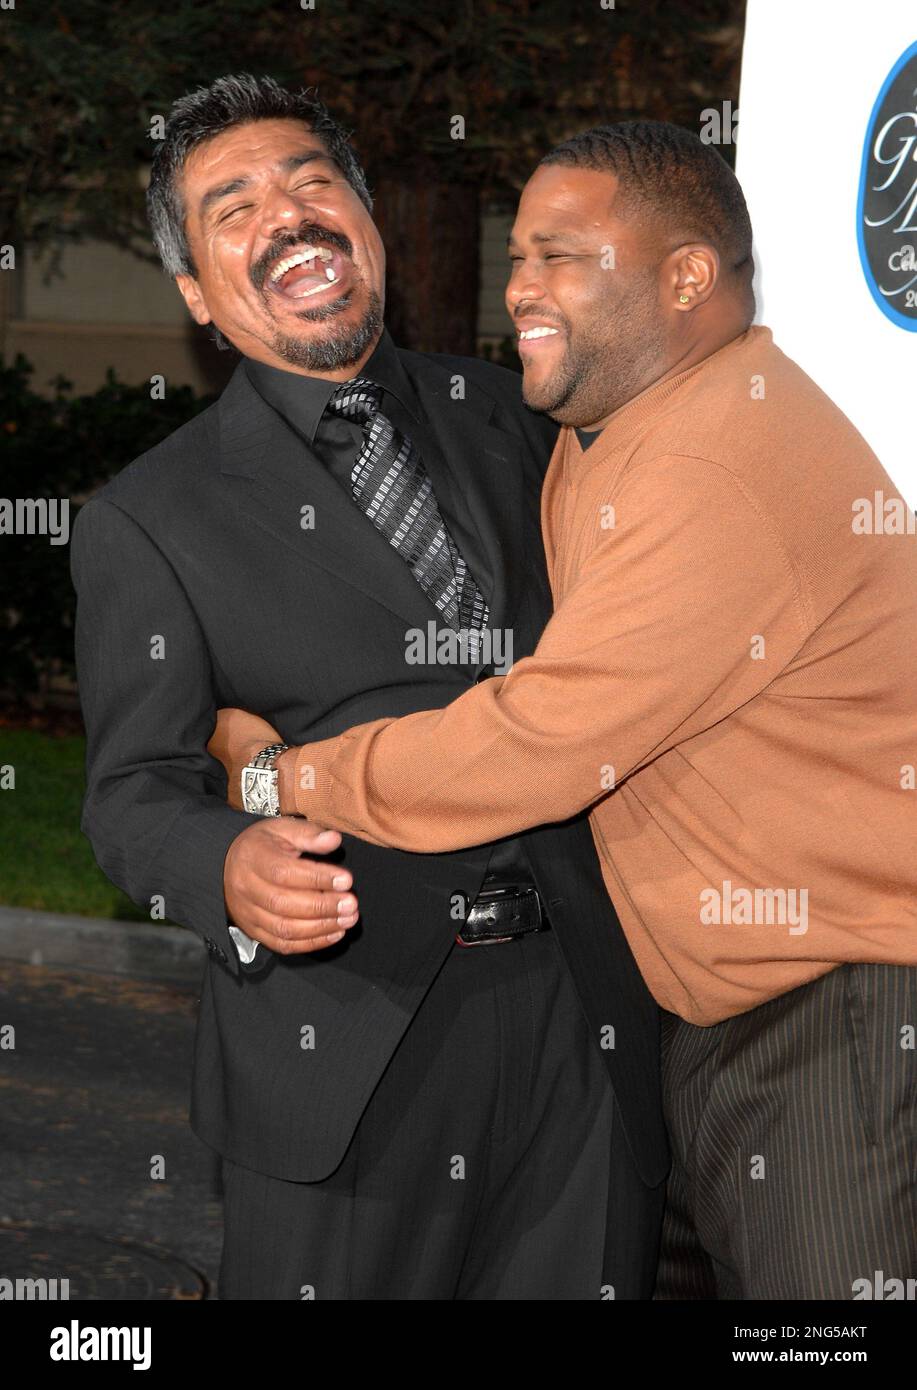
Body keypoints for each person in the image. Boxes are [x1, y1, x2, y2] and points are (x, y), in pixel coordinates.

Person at [214, 120, 917, 1300]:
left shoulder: (712, 459)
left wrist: (285, 777)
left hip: (826, 1011)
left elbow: (541, 738)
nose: (518, 284)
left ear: (686, 276)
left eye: (558, 256)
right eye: (518, 254)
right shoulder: (618, 432)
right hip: (717, 1010)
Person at [70, 75, 668, 1301]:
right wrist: (226, 865)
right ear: (195, 291)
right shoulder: (151, 516)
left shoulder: (524, 420)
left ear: (368, 223)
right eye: (230, 208)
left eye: (310, 181)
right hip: (342, 1045)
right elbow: (131, 792)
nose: (284, 214)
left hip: (585, 1018)